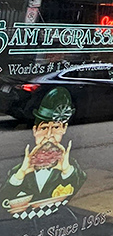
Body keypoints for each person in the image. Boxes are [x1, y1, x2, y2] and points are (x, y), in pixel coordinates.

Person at [0, 87, 87, 215]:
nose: (49, 136)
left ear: (64, 129)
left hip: (57, 224)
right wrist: (22, 173)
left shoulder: (69, 167)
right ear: (35, 131)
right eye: (44, 128)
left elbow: (78, 182)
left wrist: (66, 169)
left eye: (56, 127)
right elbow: (4, 201)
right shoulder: (18, 171)